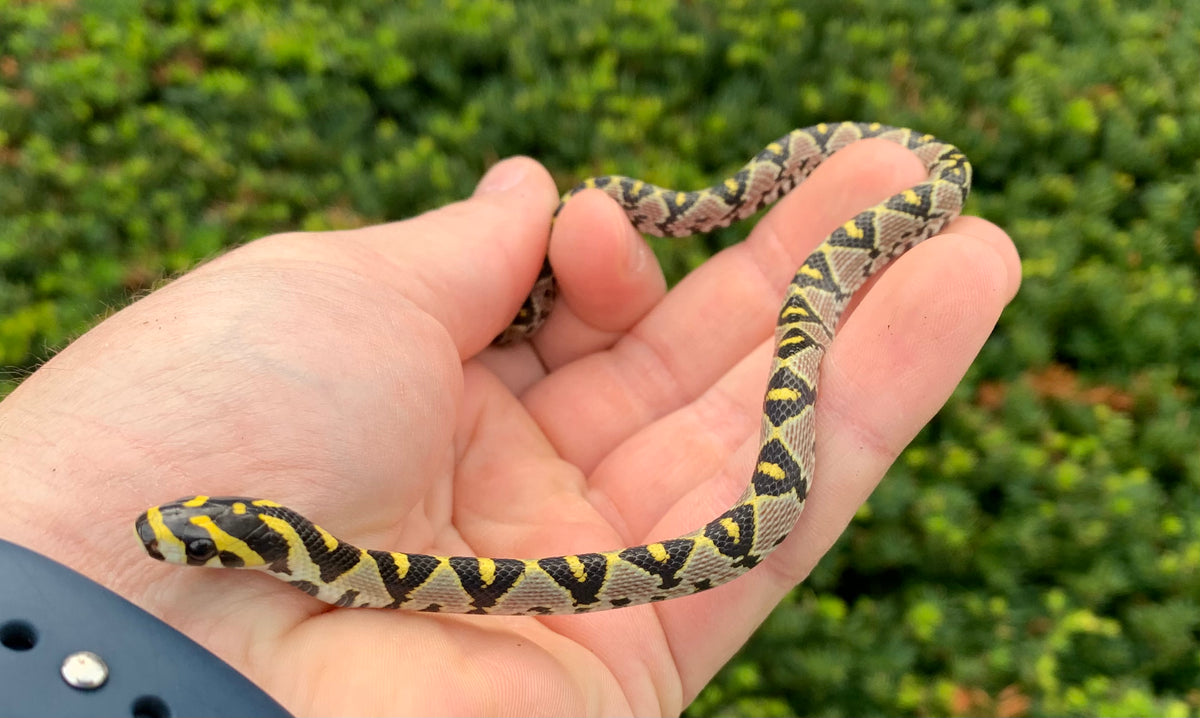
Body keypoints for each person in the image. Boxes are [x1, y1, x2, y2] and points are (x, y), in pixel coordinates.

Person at [0, 140, 1019, 715]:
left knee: (799, 334)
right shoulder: (325, 557)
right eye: (192, 537)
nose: (174, 537)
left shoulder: (339, 560)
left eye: (188, 533)